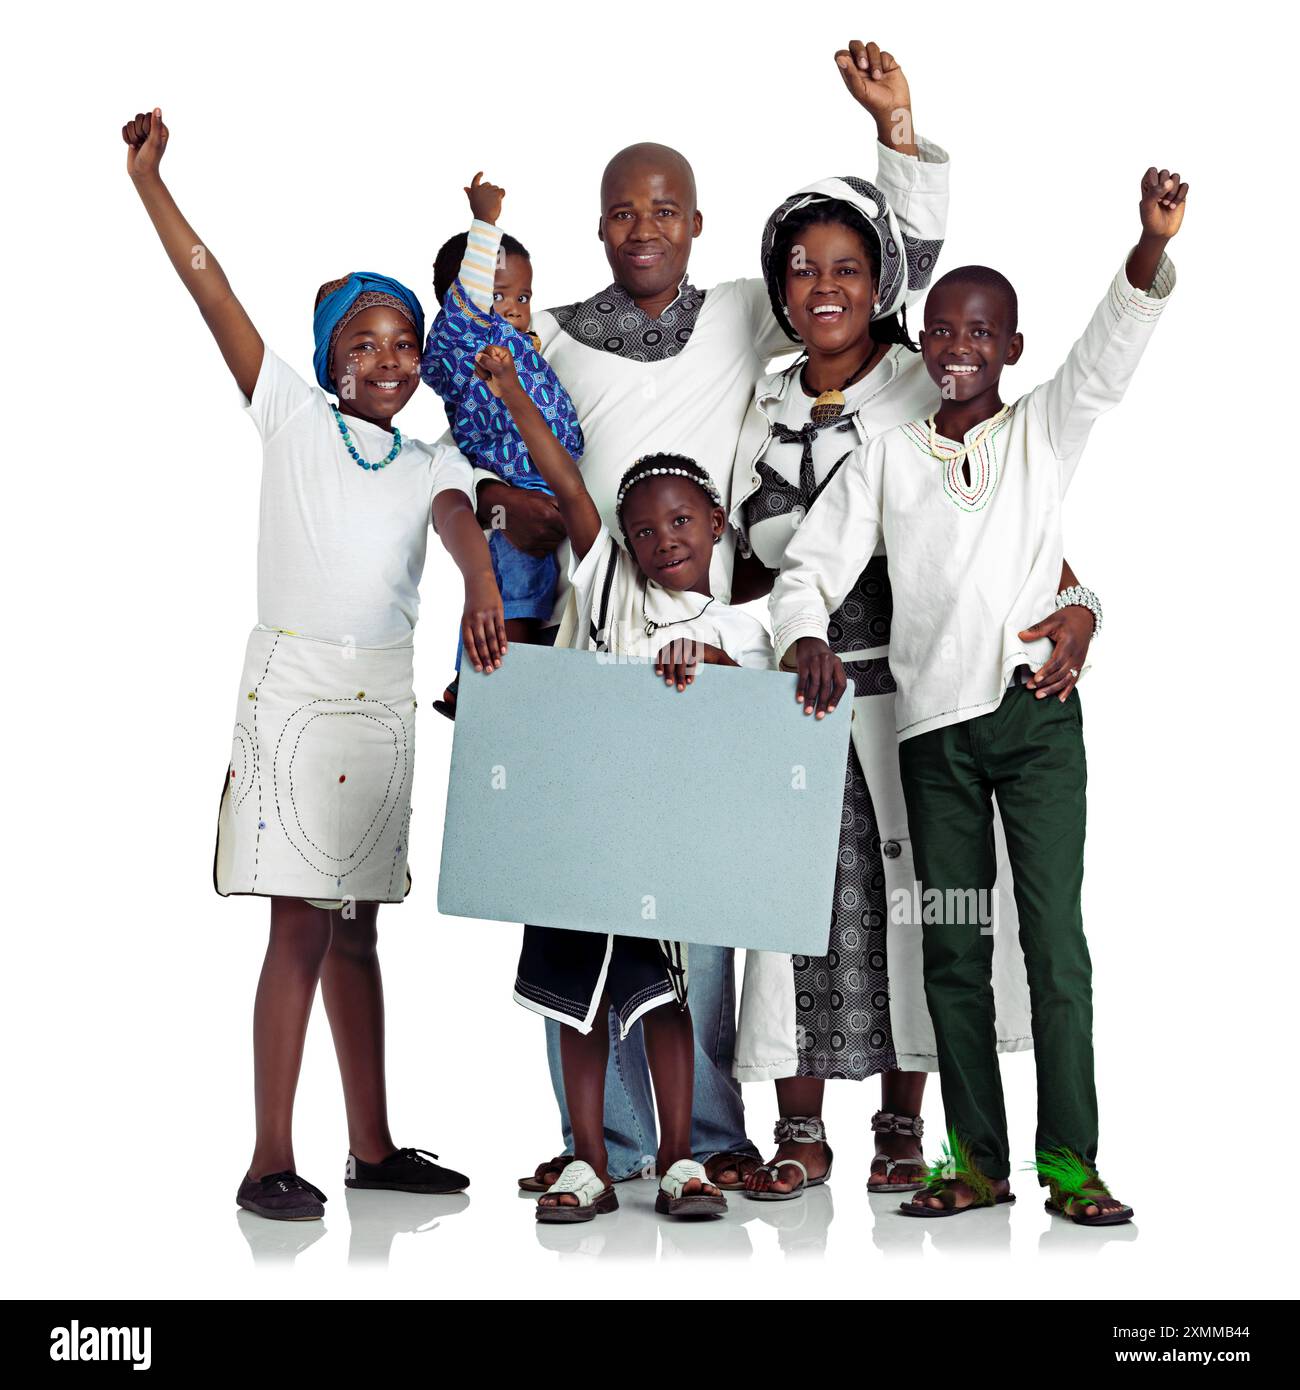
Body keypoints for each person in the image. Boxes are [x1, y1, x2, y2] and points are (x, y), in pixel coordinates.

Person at [490, 37, 953, 1196]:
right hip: (601, 640)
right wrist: (496, 517)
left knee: (704, 902)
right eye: (619, 213)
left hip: (723, 645)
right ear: (599, 227)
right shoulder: (548, 334)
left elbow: (878, 279)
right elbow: (501, 438)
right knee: (584, 900)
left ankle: (708, 1135)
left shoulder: (752, 314)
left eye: (663, 211)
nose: (640, 229)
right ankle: (605, 1150)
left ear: (697, 225)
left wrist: (896, 135)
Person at [770, 166, 1187, 1222]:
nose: (956, 348)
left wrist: (1145, 247)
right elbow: (807, 569)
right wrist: (806, 636)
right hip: (933, 737)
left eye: (979, 333)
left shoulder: (1043, 433)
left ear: (1009, 346)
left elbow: (1108, 352)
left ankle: (1071, 1164)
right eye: (942, 331)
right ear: (927, 344)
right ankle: (976, 1163)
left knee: (1053, 943)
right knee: (950, 945)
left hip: (1035, 724)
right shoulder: (885, 456)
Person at [123, 108, 504, 1221]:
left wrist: (479, 584)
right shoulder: (289, 414)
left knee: (358, 927)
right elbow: (210, 285)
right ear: (329, 355)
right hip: (294, 686)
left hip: (379, 697)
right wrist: (152, 182)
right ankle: (268, 1155)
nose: (384, 359)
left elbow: (456, 517)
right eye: (361, 342)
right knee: (297, 920)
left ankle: (374, 1147)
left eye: (401, 343)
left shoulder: (428, 454)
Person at [475, 343, 771, 1221]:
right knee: (577, 1000)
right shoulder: (607, 588)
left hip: (670, 840)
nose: (661, 540)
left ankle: (682, 1160)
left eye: (679, 522)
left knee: (665, 995)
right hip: (581, 824)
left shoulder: (739, 625)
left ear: (715, 523)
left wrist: (709, 662)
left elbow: (761, 718)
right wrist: (514, 395)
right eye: (643, 529)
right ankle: (590, 1161)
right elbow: (568, 488)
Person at [420, 172, 584, 717]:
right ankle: (484, 684)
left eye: (524, 295)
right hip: (514, 484)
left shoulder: (517, 340)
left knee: (535, 589)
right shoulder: (462, 339)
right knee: (512, 589)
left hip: (544, 481)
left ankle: (504, 676)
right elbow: (469, 294)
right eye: (499, 294)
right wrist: (485, 222)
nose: (514, 305)